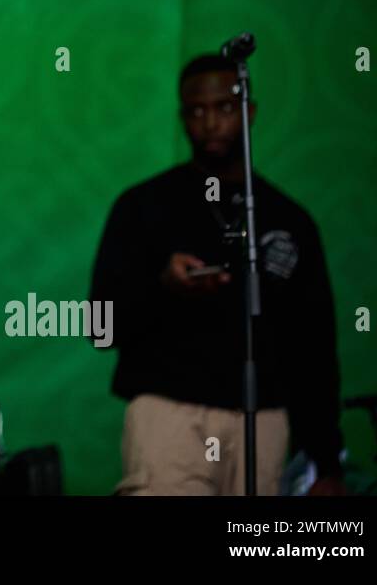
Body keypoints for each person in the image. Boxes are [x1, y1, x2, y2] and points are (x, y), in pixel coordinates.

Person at [88, 53, 346, 496]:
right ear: (182, 117)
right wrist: (163, 288)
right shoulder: (142, 207)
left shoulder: (290, 220)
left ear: (249, 112)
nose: (211, 123)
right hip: (169, 415)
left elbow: (315, 346)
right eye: (197, 110)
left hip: (263, 420)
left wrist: (326, 460)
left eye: (225, 108)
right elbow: (99, 327)